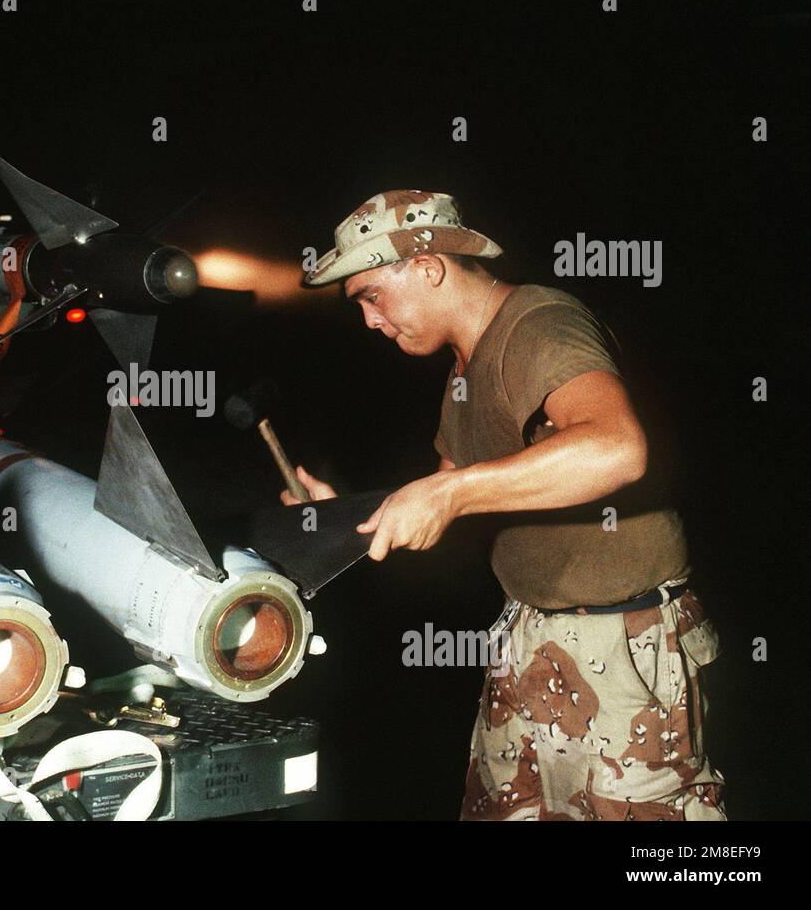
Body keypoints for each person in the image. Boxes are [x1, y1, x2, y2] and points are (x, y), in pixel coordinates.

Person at [294, 189, 724, 820]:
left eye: (371, 297)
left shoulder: (539, 323)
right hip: (528, 634)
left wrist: (449, 492)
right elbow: (451, 509)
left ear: (427, 268)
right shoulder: (464, 372)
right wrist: (345, 519)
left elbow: (619, 447)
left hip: (623, 648)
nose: (370, 321)